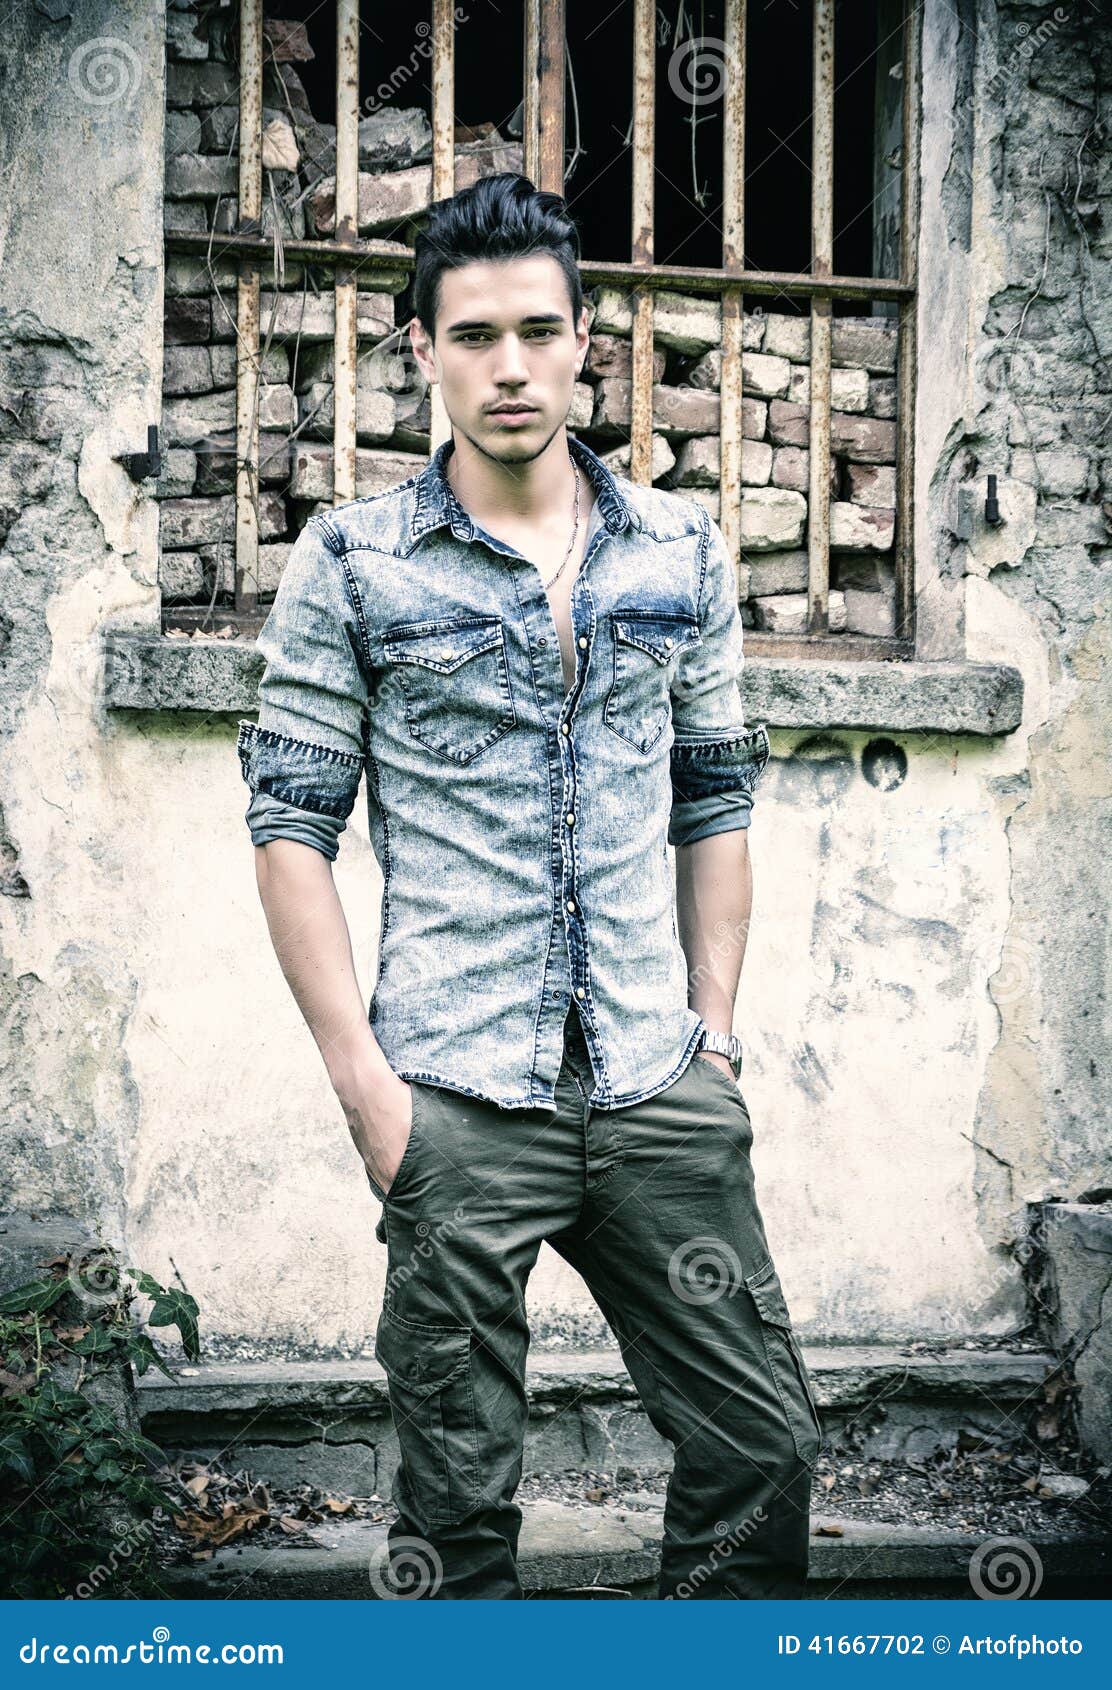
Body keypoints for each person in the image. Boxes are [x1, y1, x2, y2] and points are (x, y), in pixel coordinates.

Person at [237, 171, 820, 1599]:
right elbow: (289, 826)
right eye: (477, 334)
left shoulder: (680, 551)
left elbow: (717, 796)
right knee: (460, 1503)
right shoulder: (354, 562)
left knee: (763, 1444)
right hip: (455, 1092)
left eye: (540, 332)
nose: (511, 366)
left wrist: (718, 1034)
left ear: (582, 343)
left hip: (651, 1079)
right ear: (421, 348)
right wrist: (367, 1090)